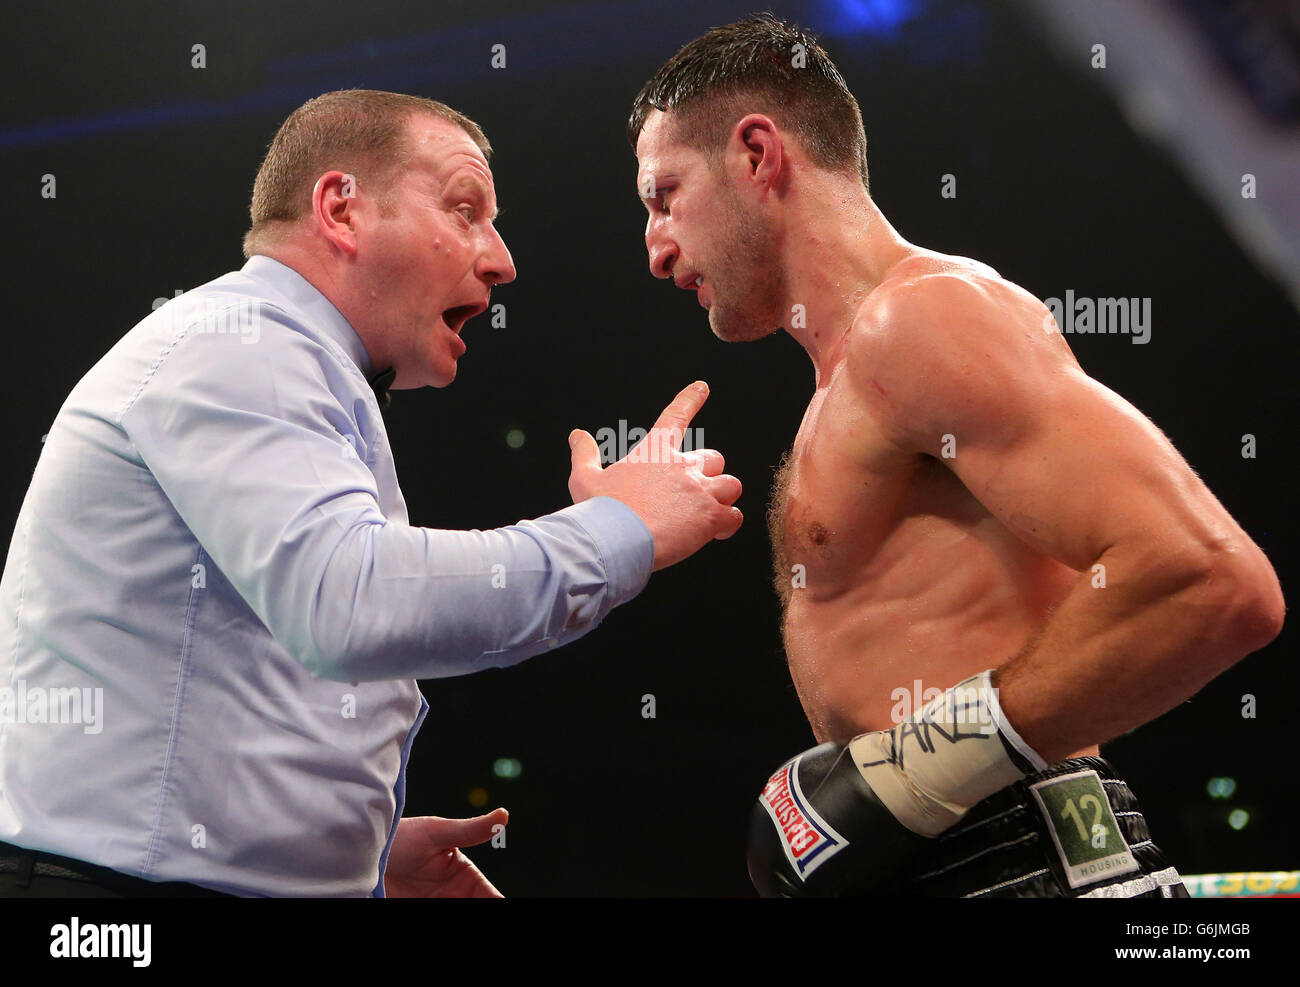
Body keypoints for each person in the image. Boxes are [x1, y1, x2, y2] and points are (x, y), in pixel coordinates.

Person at [0, 89, 742, 898]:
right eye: (466, 209)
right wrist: (619, 526)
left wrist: (359, 855)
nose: (501, 259)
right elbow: (348, 601)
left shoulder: (294, 367)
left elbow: (238, 669)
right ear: (341, 209)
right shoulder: (241, 345)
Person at [627, 17, 1284, 898]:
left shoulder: (921, 322)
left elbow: (1211, 579)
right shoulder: (845, 381)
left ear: (756, 154)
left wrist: (915, 770)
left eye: (663, 195)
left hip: (1031, 863)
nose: (655, 246)